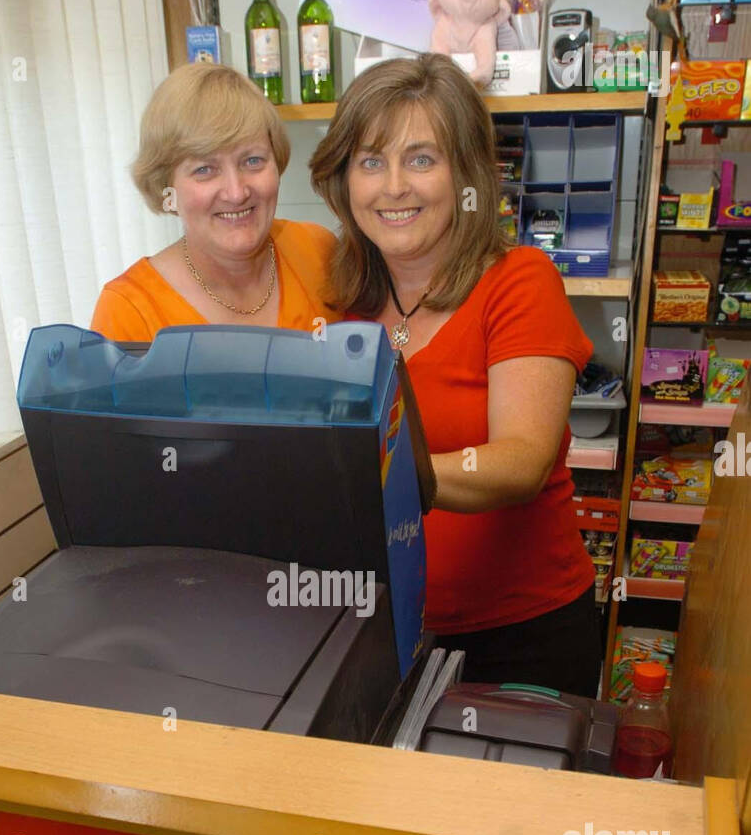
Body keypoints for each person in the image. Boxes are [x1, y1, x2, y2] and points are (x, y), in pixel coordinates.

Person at [309, 54, 602, 697]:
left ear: (466, 173)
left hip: (523, 637)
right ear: (343, 180)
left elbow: (522, 461)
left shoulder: (520, 280)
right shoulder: (339, 299)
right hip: (378, 631)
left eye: (420, 159)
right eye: (369, 161)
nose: (393, 187)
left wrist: (382, 483)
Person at [92, 63, 336, 341]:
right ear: (165, 185)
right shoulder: (128, 311)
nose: (236, 192)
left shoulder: (318, 252)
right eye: (205, 169)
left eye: (252, 161)